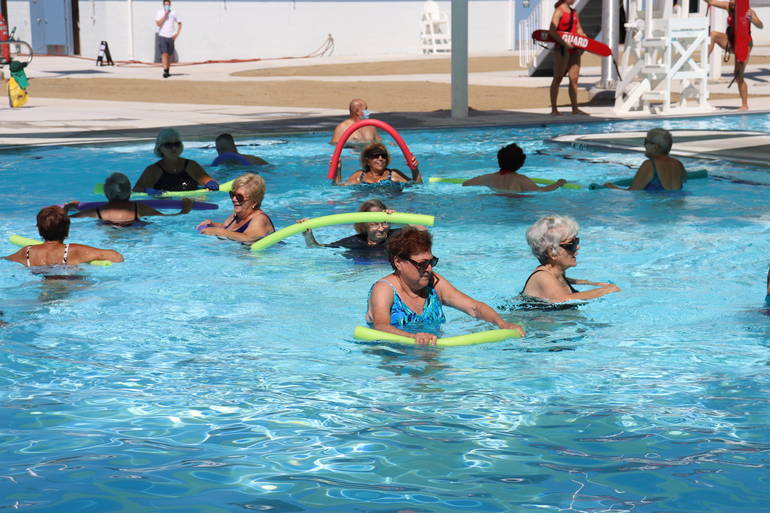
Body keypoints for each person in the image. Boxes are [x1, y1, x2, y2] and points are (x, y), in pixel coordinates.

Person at [366, 227, 525, 345]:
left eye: (432, 262)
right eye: (422, 264)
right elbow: (381, 326)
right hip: (392, 355)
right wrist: (413, 337)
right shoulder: (384, 289)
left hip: (431, 351)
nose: (429, 269)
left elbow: (474, 308)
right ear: (399, 262)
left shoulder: (434, 283)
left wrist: (502, 324)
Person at [521, 215, 619, 304]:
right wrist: (605, 290)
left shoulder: (556, 273)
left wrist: (589, 283)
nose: (578, 247)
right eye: (571, 245)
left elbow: (558, 281)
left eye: (576, 241)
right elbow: (563, 299)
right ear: (552, 252)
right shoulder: (542, 277)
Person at [4, 206, 124, 268]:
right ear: (67, 229)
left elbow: (5, 259)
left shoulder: (27, 252)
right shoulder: (72, 251)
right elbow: (116, 257)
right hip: (68, 289)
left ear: (39, 229)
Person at [64, 173, 193, 226]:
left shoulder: (97, 211)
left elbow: (63, 221)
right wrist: (185, 209)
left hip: (107, 227)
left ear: (106, 194)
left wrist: (67, 208)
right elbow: (168, 217)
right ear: (129, 192)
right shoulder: (139, 208)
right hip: (134, 227)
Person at [299, 199, 408, 258]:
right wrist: (308, 235)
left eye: (384, 223)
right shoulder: (355, 241)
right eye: (375, 224)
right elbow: (316, 247)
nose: (381, 229)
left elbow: (418, 228)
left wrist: (397, 219)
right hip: (360, 272)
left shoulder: (396, 236)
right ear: (364, 224)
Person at [706, 0, 764, 110]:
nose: (732, 2)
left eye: (734, 1)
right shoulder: (728, 6)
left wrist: (753, 19)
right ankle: (704, 61)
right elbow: (711, 1)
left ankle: (744, 104)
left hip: (744, 44)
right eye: (731, 0)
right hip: (731, 40)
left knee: (738, 75)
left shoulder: (749, 11)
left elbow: (761, 25)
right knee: (713, 35)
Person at [134, 128, 218, 193]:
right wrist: (147, 190)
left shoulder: (191, 165)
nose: (174, 148)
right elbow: (137, 190)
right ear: (160, 148)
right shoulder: (153, 170)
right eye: (168, 145)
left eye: (177, 144)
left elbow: (208, 180)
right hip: (165, 206)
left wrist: (211, 183)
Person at [197, 173, 275, 243]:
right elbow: (226, 227)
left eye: (239, 197)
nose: (234, 199)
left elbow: (249, 238)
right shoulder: (236, 215)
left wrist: (220, 232)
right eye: (232, 194)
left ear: (254, 202)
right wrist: (212, 224)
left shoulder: (259, 219)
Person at [602, 129, 687, 191]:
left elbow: (632, 192)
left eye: (646, 141)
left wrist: (612, 187)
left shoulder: (650, 165)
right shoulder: (678, 164)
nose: (645, 145)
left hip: (659, 207)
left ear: (655, 147)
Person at [462, 143, 568, 192]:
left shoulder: (488, 178)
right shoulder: (521, 180)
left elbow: (465, 184)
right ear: (521, 163)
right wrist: (558, 183)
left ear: (499, 160)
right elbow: (542, 190)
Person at [549, 0, 588, 116]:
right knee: (558, 78)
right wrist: (564, 44)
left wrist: (583, 36)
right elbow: (552, 31)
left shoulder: (574, 12)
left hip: (574, 50)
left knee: (574, 79)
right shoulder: (559, 11)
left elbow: (578, 28)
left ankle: (575, 109)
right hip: (561, 49)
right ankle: (554, 109)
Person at [334, 143, 422, 186]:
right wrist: (337, 170)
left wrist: (414, 169)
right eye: (375, 156)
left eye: (383, 156)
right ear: (367, 161)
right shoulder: (359, 176)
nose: (380, 158)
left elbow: (417, 185)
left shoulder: (393, 175)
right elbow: (338, 188)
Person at [155, 0, 182, 78]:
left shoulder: (174, 13)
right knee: (164, 53)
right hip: (162, 35)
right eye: (165, 5)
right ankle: (165, 71)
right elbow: (158, 24)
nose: (167, 6)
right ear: (163, 5)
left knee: (169, 55)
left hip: (171, 36)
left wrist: (177, 34)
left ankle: (167, 70)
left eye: (168, 5)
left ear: (170, 5)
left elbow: (179, 23)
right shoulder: (159, 12)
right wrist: (165, 15)